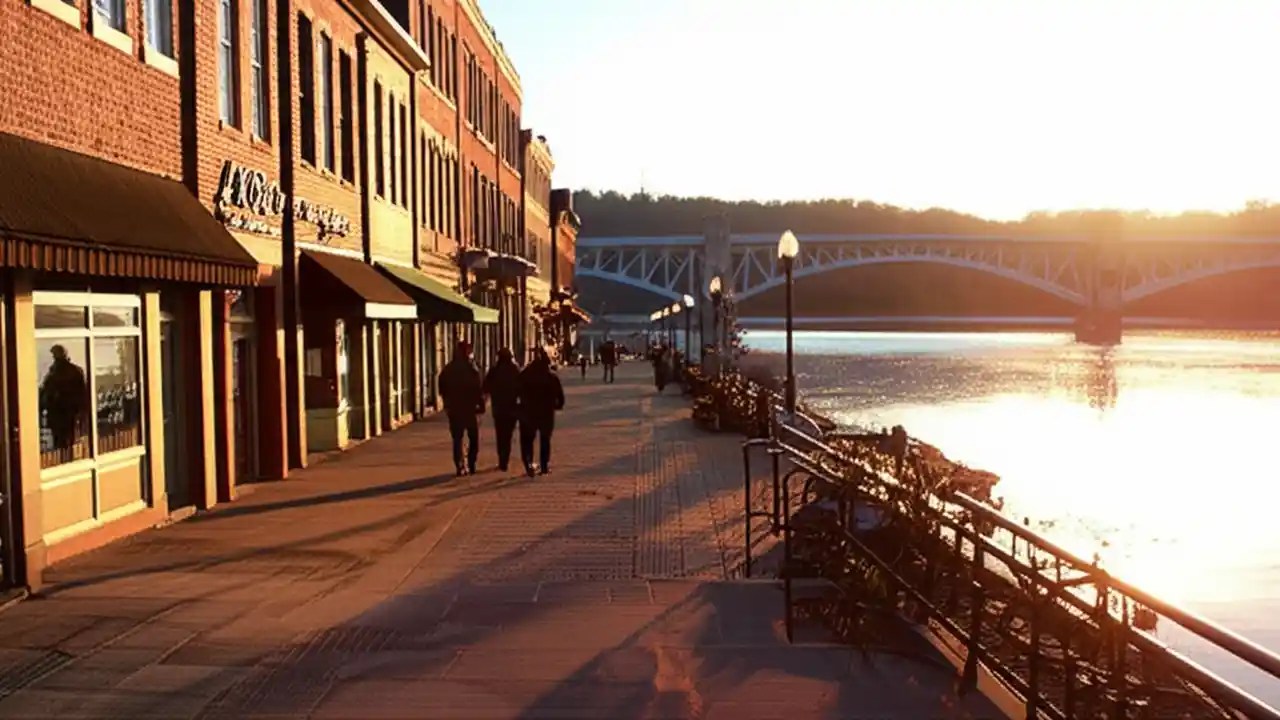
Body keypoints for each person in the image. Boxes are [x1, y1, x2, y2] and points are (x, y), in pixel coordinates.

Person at [438, 341, 484, 476]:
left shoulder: (448, 369)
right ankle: (471, 463)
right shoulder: (472, 369)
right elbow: (478, 388)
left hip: (454, 408)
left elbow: (442, 386)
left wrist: (447, 403)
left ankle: (459, 465)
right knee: (473, 437)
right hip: (469, 409)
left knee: (457, 438)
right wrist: (480, 405)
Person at [518, 348, 564, 476]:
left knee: (527, 439)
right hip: (546, 413)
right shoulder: (551, 377)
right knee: (545, 439)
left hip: (528, 411)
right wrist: (558, 405)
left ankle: (528, 463)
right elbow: (560, 396)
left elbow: (516, 390)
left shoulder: (525, 375)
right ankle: (544, 465)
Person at [40, 344, 87, 455]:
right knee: (65, 441)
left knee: (63, 441)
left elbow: (47, 390)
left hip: (63, 413)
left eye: (54, 355)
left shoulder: (58, 372)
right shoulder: (67, 371)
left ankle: (65, 459)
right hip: (63, 413)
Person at [482, 347, 522, 472]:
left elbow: (485, 387)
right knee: (508, 435)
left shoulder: (494, 370)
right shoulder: (515, 370)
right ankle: (505, 458)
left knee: (500, 434)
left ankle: (501, 459)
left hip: (498, 408)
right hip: (512, 408)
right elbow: (521, 387)